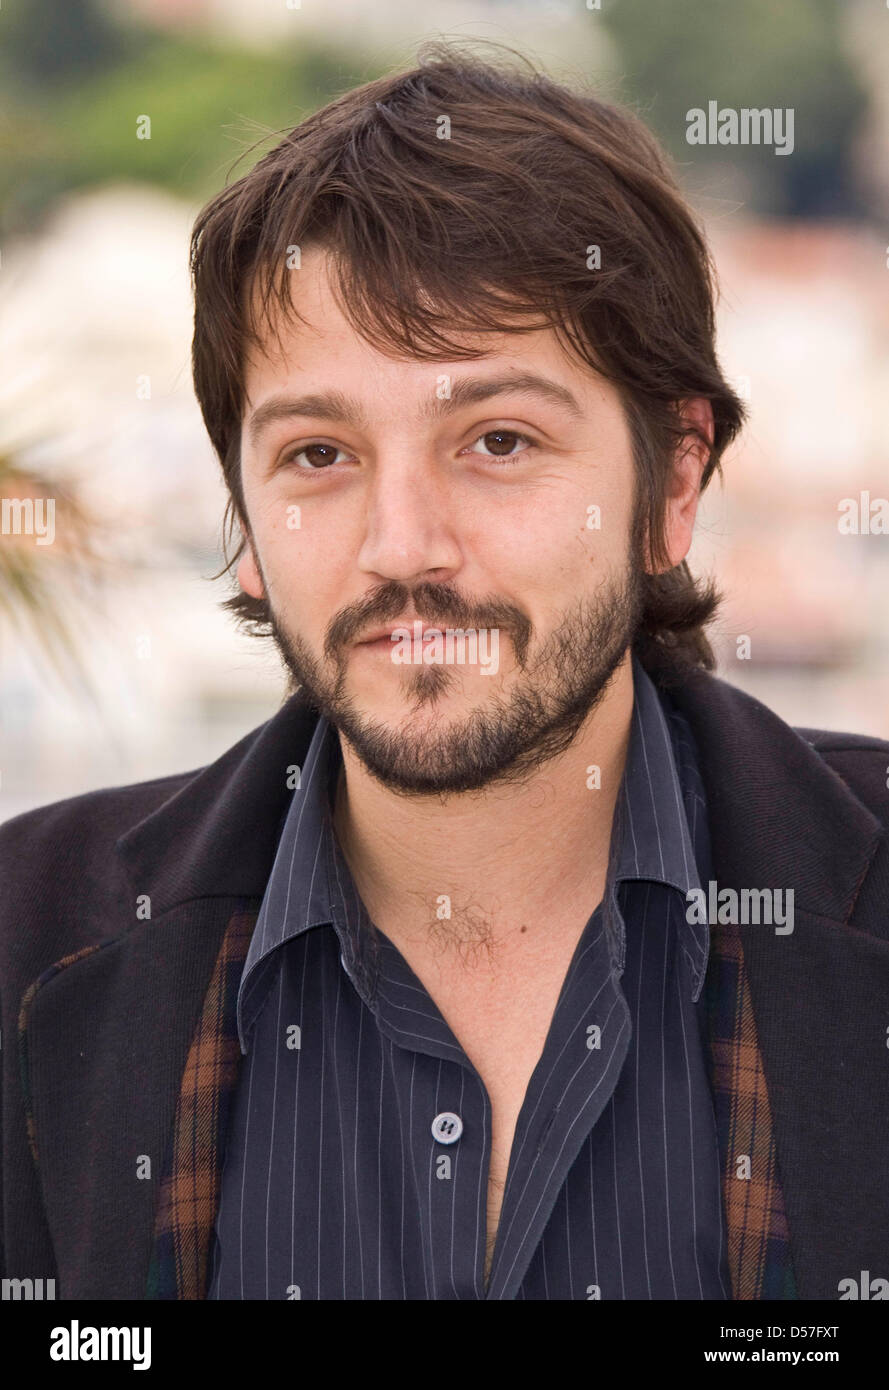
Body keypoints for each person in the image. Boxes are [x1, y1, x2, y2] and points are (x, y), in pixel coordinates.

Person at [2, 41, 888, 1303]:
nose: (401, 545)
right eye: (317, 454)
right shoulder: (27, 945)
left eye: (498, 439)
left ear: (673, 482)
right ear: (242, 520)